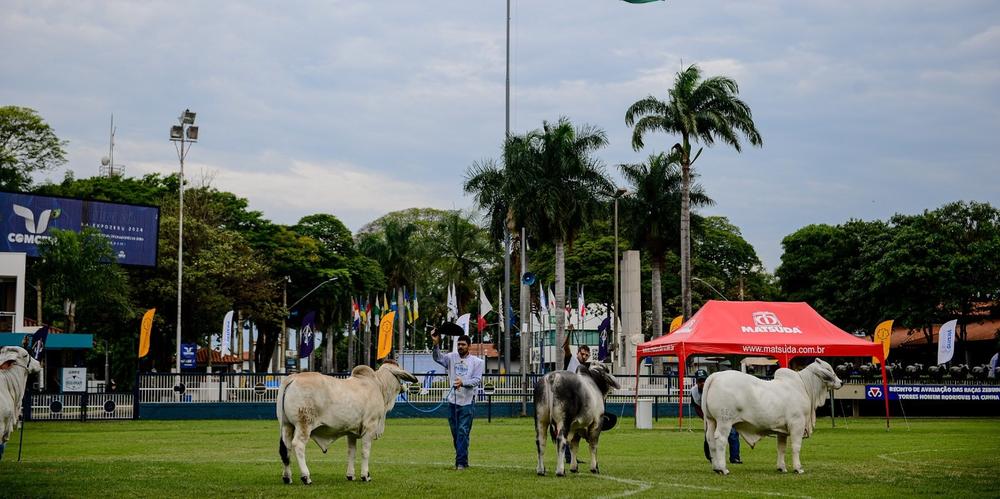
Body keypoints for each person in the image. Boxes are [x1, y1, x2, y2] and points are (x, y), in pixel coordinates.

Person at [432, 331, 484, 470]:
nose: (460, 346)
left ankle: (460, 463)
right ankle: (463, 460)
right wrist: (436, 344)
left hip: (468, 402)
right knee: (456, 433)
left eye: (463, 344)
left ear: (469, 346)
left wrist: (463, 382)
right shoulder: (451, 357)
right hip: (452, 402)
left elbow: (477, 380)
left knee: (462, 431)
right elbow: (437, 358)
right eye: (459, 344)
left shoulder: (477, 362)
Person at [690, 369, 741, 464]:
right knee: (709, 436)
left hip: (723, 414)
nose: (702, 383)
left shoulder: (716, 388)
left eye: (704, 380)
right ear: (696, 382)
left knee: (732, 434)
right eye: (700, 381)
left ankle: (735, 458)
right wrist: (706, 418)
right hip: (708, 416)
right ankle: (711, 457)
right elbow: (697, 407)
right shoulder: (694, 392)